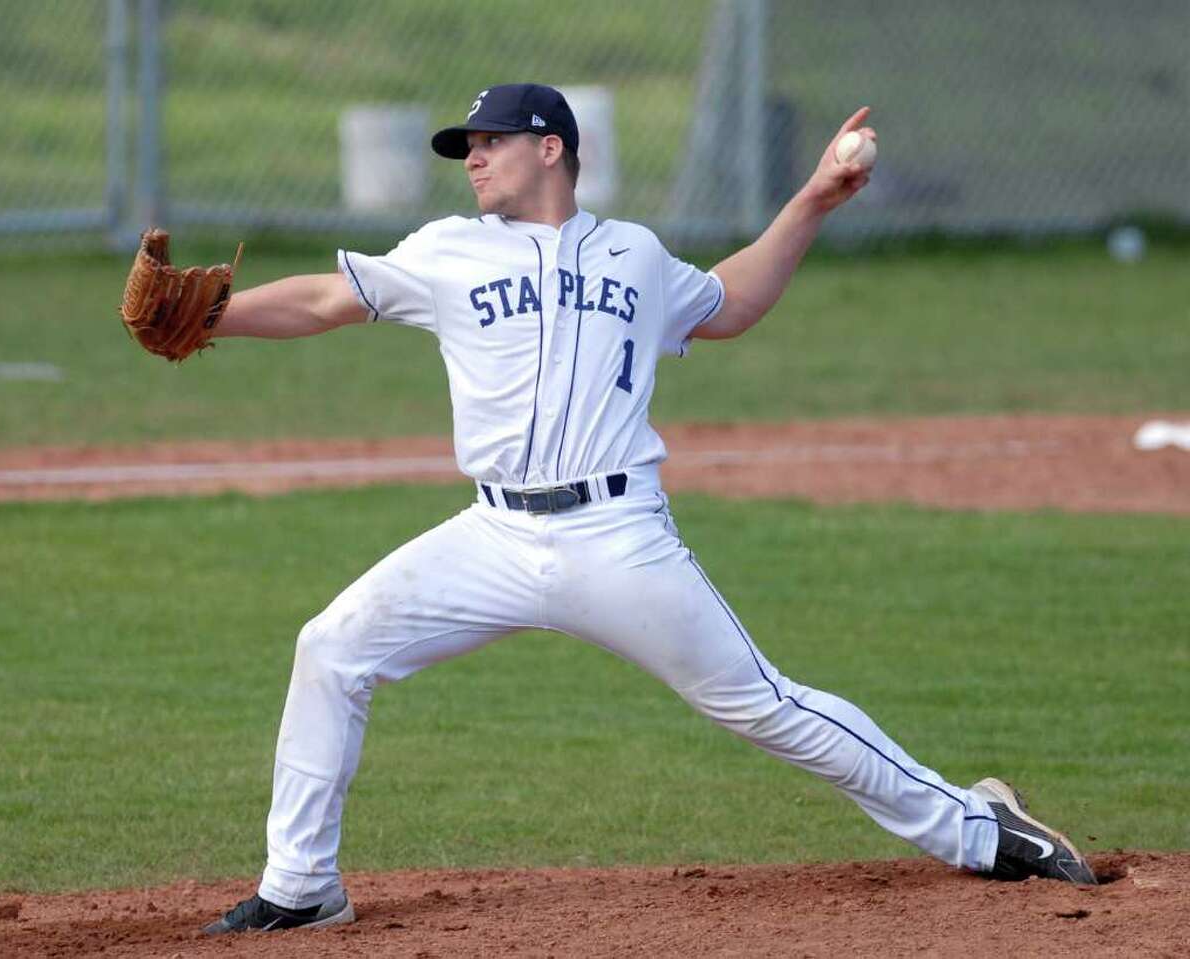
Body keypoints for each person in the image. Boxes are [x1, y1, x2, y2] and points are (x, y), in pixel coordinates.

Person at [202, 84, 1095, 934]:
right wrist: (211, 317)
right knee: (332, 647)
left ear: (550, 149)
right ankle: (301, 887)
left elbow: (730, 303)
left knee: (765, 704)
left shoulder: (634, 253)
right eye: (466, 146)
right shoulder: (446, 250)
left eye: (490, 142)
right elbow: (324, 298)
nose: (472, 159)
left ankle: (979, 827)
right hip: (492, 534)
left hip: (617, 538)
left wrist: (815, 199)